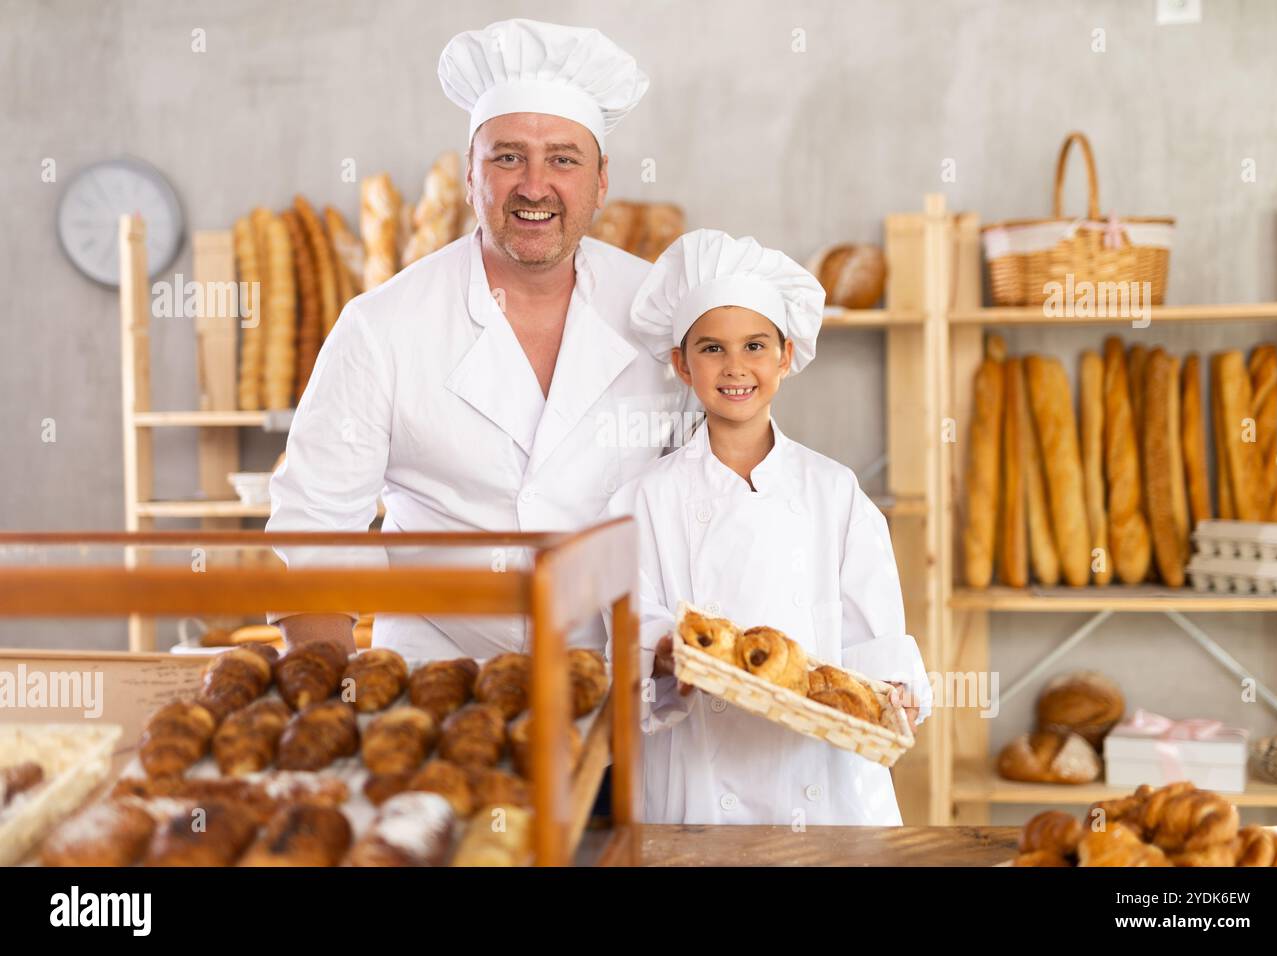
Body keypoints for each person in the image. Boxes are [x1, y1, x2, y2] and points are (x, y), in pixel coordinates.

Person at [266, 19, 687, 658]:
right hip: (436, 688)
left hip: (625, 685)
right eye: (508, 156)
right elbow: (317, 537)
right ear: (470, 174)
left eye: (564, 160)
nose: (534, 185)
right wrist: (331, 690)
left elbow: (712, 496)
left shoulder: (666, 316)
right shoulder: (381, 327)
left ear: (601, 181)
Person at [604, 229, 933, 825]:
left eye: (755, 346)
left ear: (786, 355)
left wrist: (894, 689)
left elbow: (873, 638)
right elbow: (633, 638)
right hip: (702, 775)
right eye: (711, 349)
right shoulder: (641, 501)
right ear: (681, 364)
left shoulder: (834, 491)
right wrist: (667, 652)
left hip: (824, 784)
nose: (736, 367)